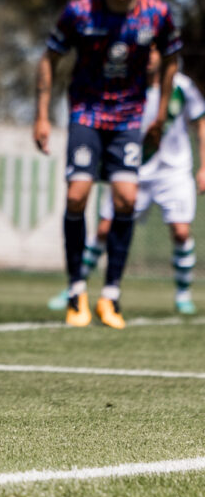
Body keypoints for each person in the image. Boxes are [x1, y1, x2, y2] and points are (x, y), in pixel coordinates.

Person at [33, 0, 182, 329]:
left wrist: (161, 112)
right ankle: (76, 290)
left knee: (126, 199)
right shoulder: (81, 12)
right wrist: (42, 115)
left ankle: (111, 296)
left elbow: (170, 60)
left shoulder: (157, 14)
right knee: (77, 194)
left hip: (129, 117)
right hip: (86, 112)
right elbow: (49, 58)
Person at [47, 46, 203, 315]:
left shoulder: (182, 87)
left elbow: (201, 121)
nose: (151, 57)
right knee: (104, 230)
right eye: (147, 51)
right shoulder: (128, 85)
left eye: (156, 52)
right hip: (135, 167)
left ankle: (182, 295)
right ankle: (76, 284)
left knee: (181, 231)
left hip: (173, 171)